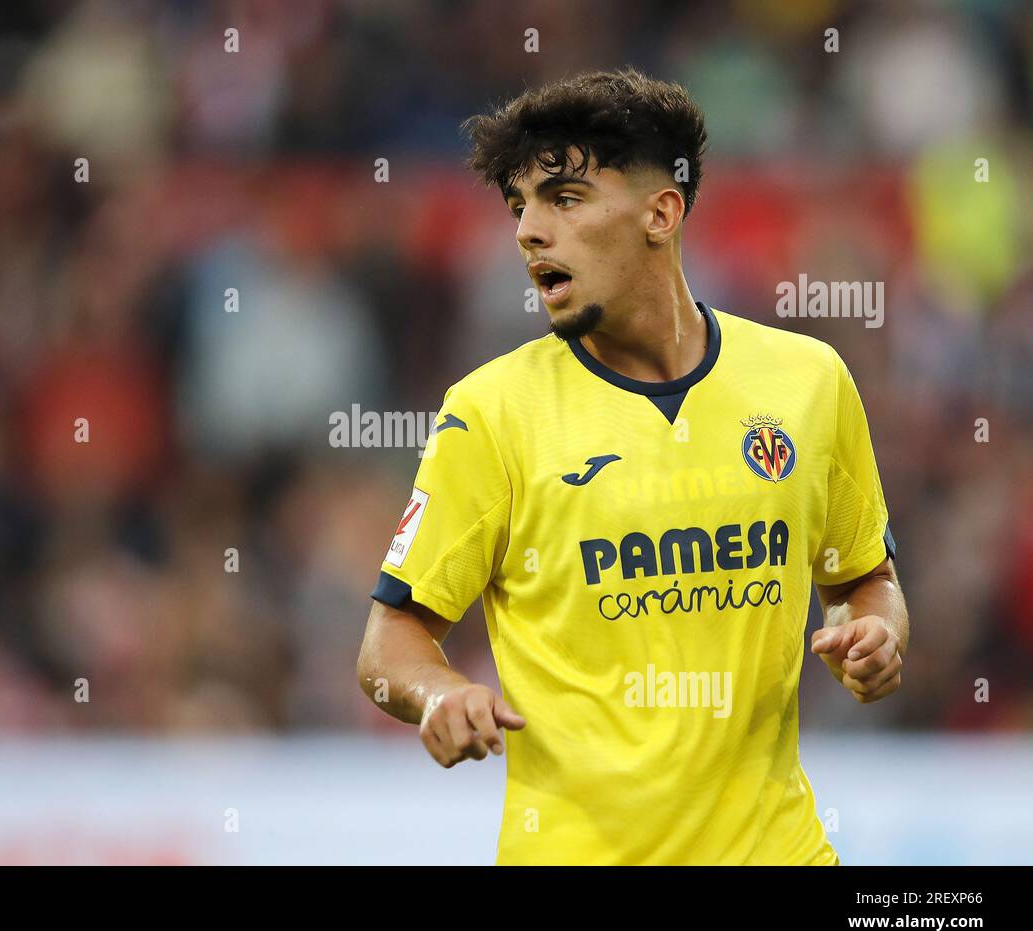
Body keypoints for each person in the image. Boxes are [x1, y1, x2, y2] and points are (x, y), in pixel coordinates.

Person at [356, 67, 909, 865]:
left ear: (662, 211)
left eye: (565, 198)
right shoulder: (492, 412)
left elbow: (865, 576)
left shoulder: (808, 381)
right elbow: (389, 642)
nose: (528, 231)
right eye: (520, 207)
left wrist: (876, 632)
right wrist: (439, 692)